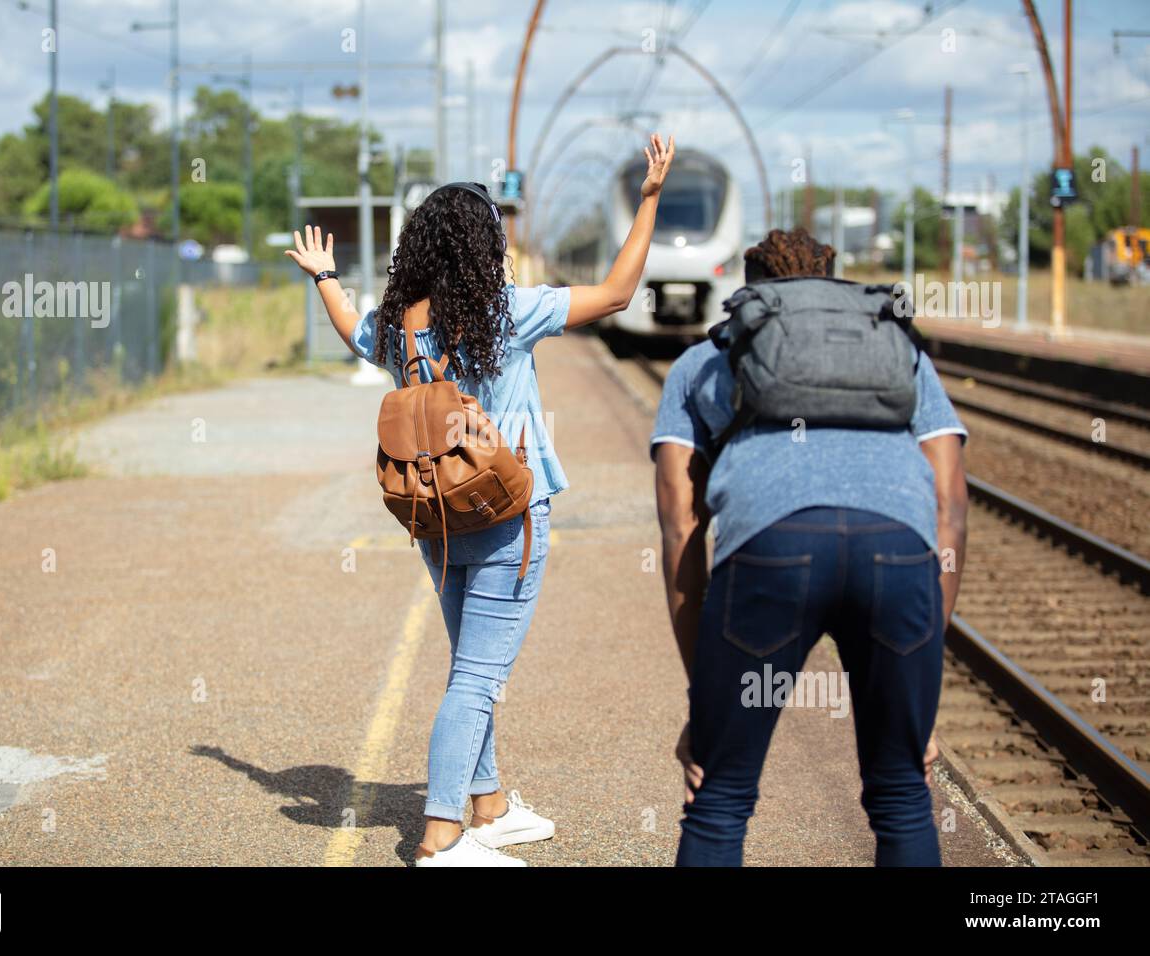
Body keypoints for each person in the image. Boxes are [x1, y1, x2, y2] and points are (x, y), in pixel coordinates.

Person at [288, 134, 677, 867]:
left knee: (472, 662)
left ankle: (489, 805)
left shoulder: (400, 327)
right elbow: (620, 292)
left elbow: (350, 330)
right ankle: (440, 837)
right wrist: (649, 197)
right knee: (477, 676)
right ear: (482, 246)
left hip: (436, 518)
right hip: (508, 516)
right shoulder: (510, 312)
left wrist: (325, 276)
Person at [651, 227, 969, 867]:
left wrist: (707, 700)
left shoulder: (703, 361)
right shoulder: (897, 350)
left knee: (720, 796)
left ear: (751, 295)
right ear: (833, 284)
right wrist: (916, 690)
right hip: (898, 552)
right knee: (904, 795)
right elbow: (950, 510)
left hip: (773, 553)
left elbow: (682, 529)